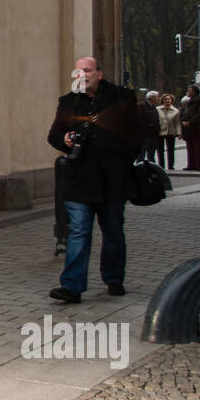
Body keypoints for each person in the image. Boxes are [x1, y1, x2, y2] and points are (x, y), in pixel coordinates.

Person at [45, 56, 142, 303]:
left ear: (99, 73)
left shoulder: (122, 97)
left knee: (113, 231)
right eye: (78, 71)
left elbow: (137, 134)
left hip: (113, 179)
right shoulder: (68, 102)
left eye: (87, 70)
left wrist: (123, 159)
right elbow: (54, 136)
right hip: (79, 178)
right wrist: (65, 139)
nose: (83, 75)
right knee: (78, 231)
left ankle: (113, 278)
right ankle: (72, 286)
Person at [180, 85, 200, 171]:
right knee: (190, 147)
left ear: (194, 92)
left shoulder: (199, 101)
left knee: (197, 147)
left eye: (189, 90)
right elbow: (186, 113)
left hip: (195, 127)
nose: (188, 91)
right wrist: (183, 120)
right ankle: (191, 164)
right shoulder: (191, 101)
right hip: (189, 128)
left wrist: (190, 122)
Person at [156, 93, 181, 171]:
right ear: (162, 100)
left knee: (171, 150)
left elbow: (177, 123)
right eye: (166, 99)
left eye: (169, 99)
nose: (167, 100)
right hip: (160, 131)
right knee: (160, 150)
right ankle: (161, 165)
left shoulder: (175, 111)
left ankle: (171, 166)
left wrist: (179, 133)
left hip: (171, 132)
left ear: (171, 100)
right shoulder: (157, 109)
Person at [138, 91, 161, 164]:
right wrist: (147, 126)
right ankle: (139, 167)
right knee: (142, 153)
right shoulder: (141, 106)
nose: (158, 98)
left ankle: (151, 167)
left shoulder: (154, 108)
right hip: (144, 134)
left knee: (151, 153)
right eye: (157, 97)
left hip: (153, 134)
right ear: (152, 98)